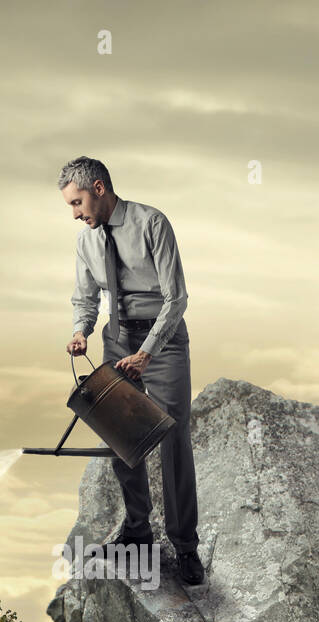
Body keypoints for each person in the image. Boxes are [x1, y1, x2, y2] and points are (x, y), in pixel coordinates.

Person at [58, 156, 204, 586]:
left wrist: (149, 352)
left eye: (78, 202)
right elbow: (85, 300)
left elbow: (177, 298)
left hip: (164, 340)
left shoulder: (152, 223)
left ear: (99, 188)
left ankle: (186, 547)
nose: (75, 213)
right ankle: (138, 531)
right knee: (120, 434)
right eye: (70, 205)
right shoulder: (86, 242)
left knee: (173, 437)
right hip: (117, 340)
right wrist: (81, 332)